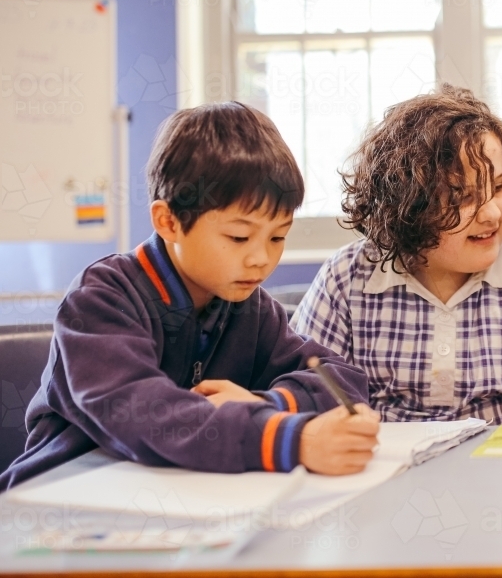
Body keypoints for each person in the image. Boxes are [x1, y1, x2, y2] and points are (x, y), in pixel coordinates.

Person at [0, 102, 379, 492]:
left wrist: (265, 402)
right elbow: (147, 415)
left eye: (278, 237)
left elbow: (341, 379)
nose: (261, 259)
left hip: (169, 497)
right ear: (168, 222)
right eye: (238, 237)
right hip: (61, 497)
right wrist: (290, 439)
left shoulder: (249, 306)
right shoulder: (100, 299)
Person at [291, 85, 502, 425]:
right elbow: (315, 415)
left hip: (501, 473)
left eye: (498, 187)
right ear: (409, 207)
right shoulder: (346, 277)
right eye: (464, 197)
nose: (492, 214)